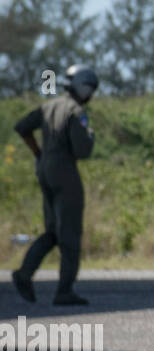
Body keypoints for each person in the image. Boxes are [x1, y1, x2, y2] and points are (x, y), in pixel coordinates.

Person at [11, 65, 98, 305]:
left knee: (52, 231)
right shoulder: (75, 111)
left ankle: (24, 273)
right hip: (64, 172)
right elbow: (82, 150)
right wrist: (90, 136)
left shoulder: (49, 106)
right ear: (84, 87)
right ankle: (64, 291)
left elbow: (22, 127)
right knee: (69, 232)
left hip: (44, 170)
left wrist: (38, 153)